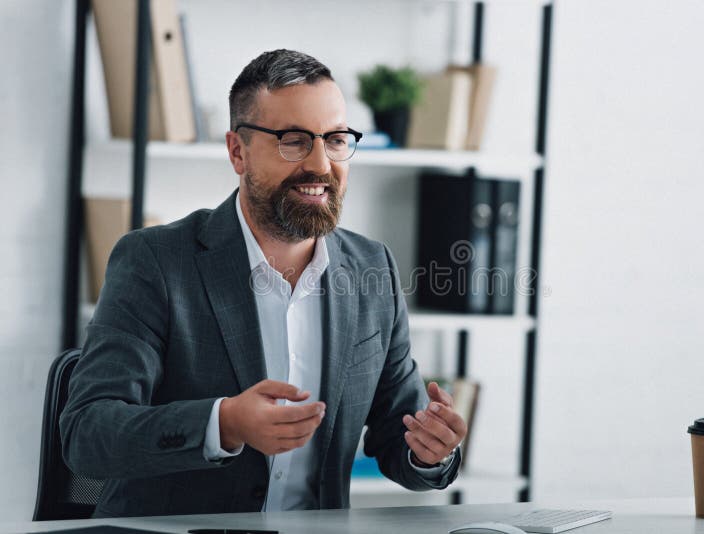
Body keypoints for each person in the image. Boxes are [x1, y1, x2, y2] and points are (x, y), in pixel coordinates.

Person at [60, 49, 466, 518]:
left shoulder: (372, 269)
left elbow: (401, 433)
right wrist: (224, 423)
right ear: (238, 152)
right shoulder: (155, 262)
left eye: (336, 140)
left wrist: (430, 451)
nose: (321, 164)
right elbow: (88, 434)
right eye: (294, 141)